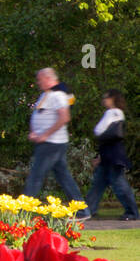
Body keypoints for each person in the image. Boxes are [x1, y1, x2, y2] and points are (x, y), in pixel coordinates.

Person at [22, 67, 86, 211]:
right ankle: (82, 210)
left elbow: (64, 117)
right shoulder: (46, 95)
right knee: (64, 177)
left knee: (36, 176)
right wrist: (34, 132)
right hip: (47, 142)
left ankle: (22, 211)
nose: (38, 82)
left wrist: (45, 134)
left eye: (40, 79)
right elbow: (38, 115)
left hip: (52, 143)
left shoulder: (58, 95)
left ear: (48, 78)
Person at [83, 90, 140, 220]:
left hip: (113, 156)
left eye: (106, 97)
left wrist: (100, 138)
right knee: (98, 184)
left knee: (119, 184)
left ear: (113, 98)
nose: (104, 100)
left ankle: (132, 212)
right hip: (108, 155)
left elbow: (112, 134)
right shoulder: (112, 113)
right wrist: (100, 156)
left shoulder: (114, 113)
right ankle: (88, 210)